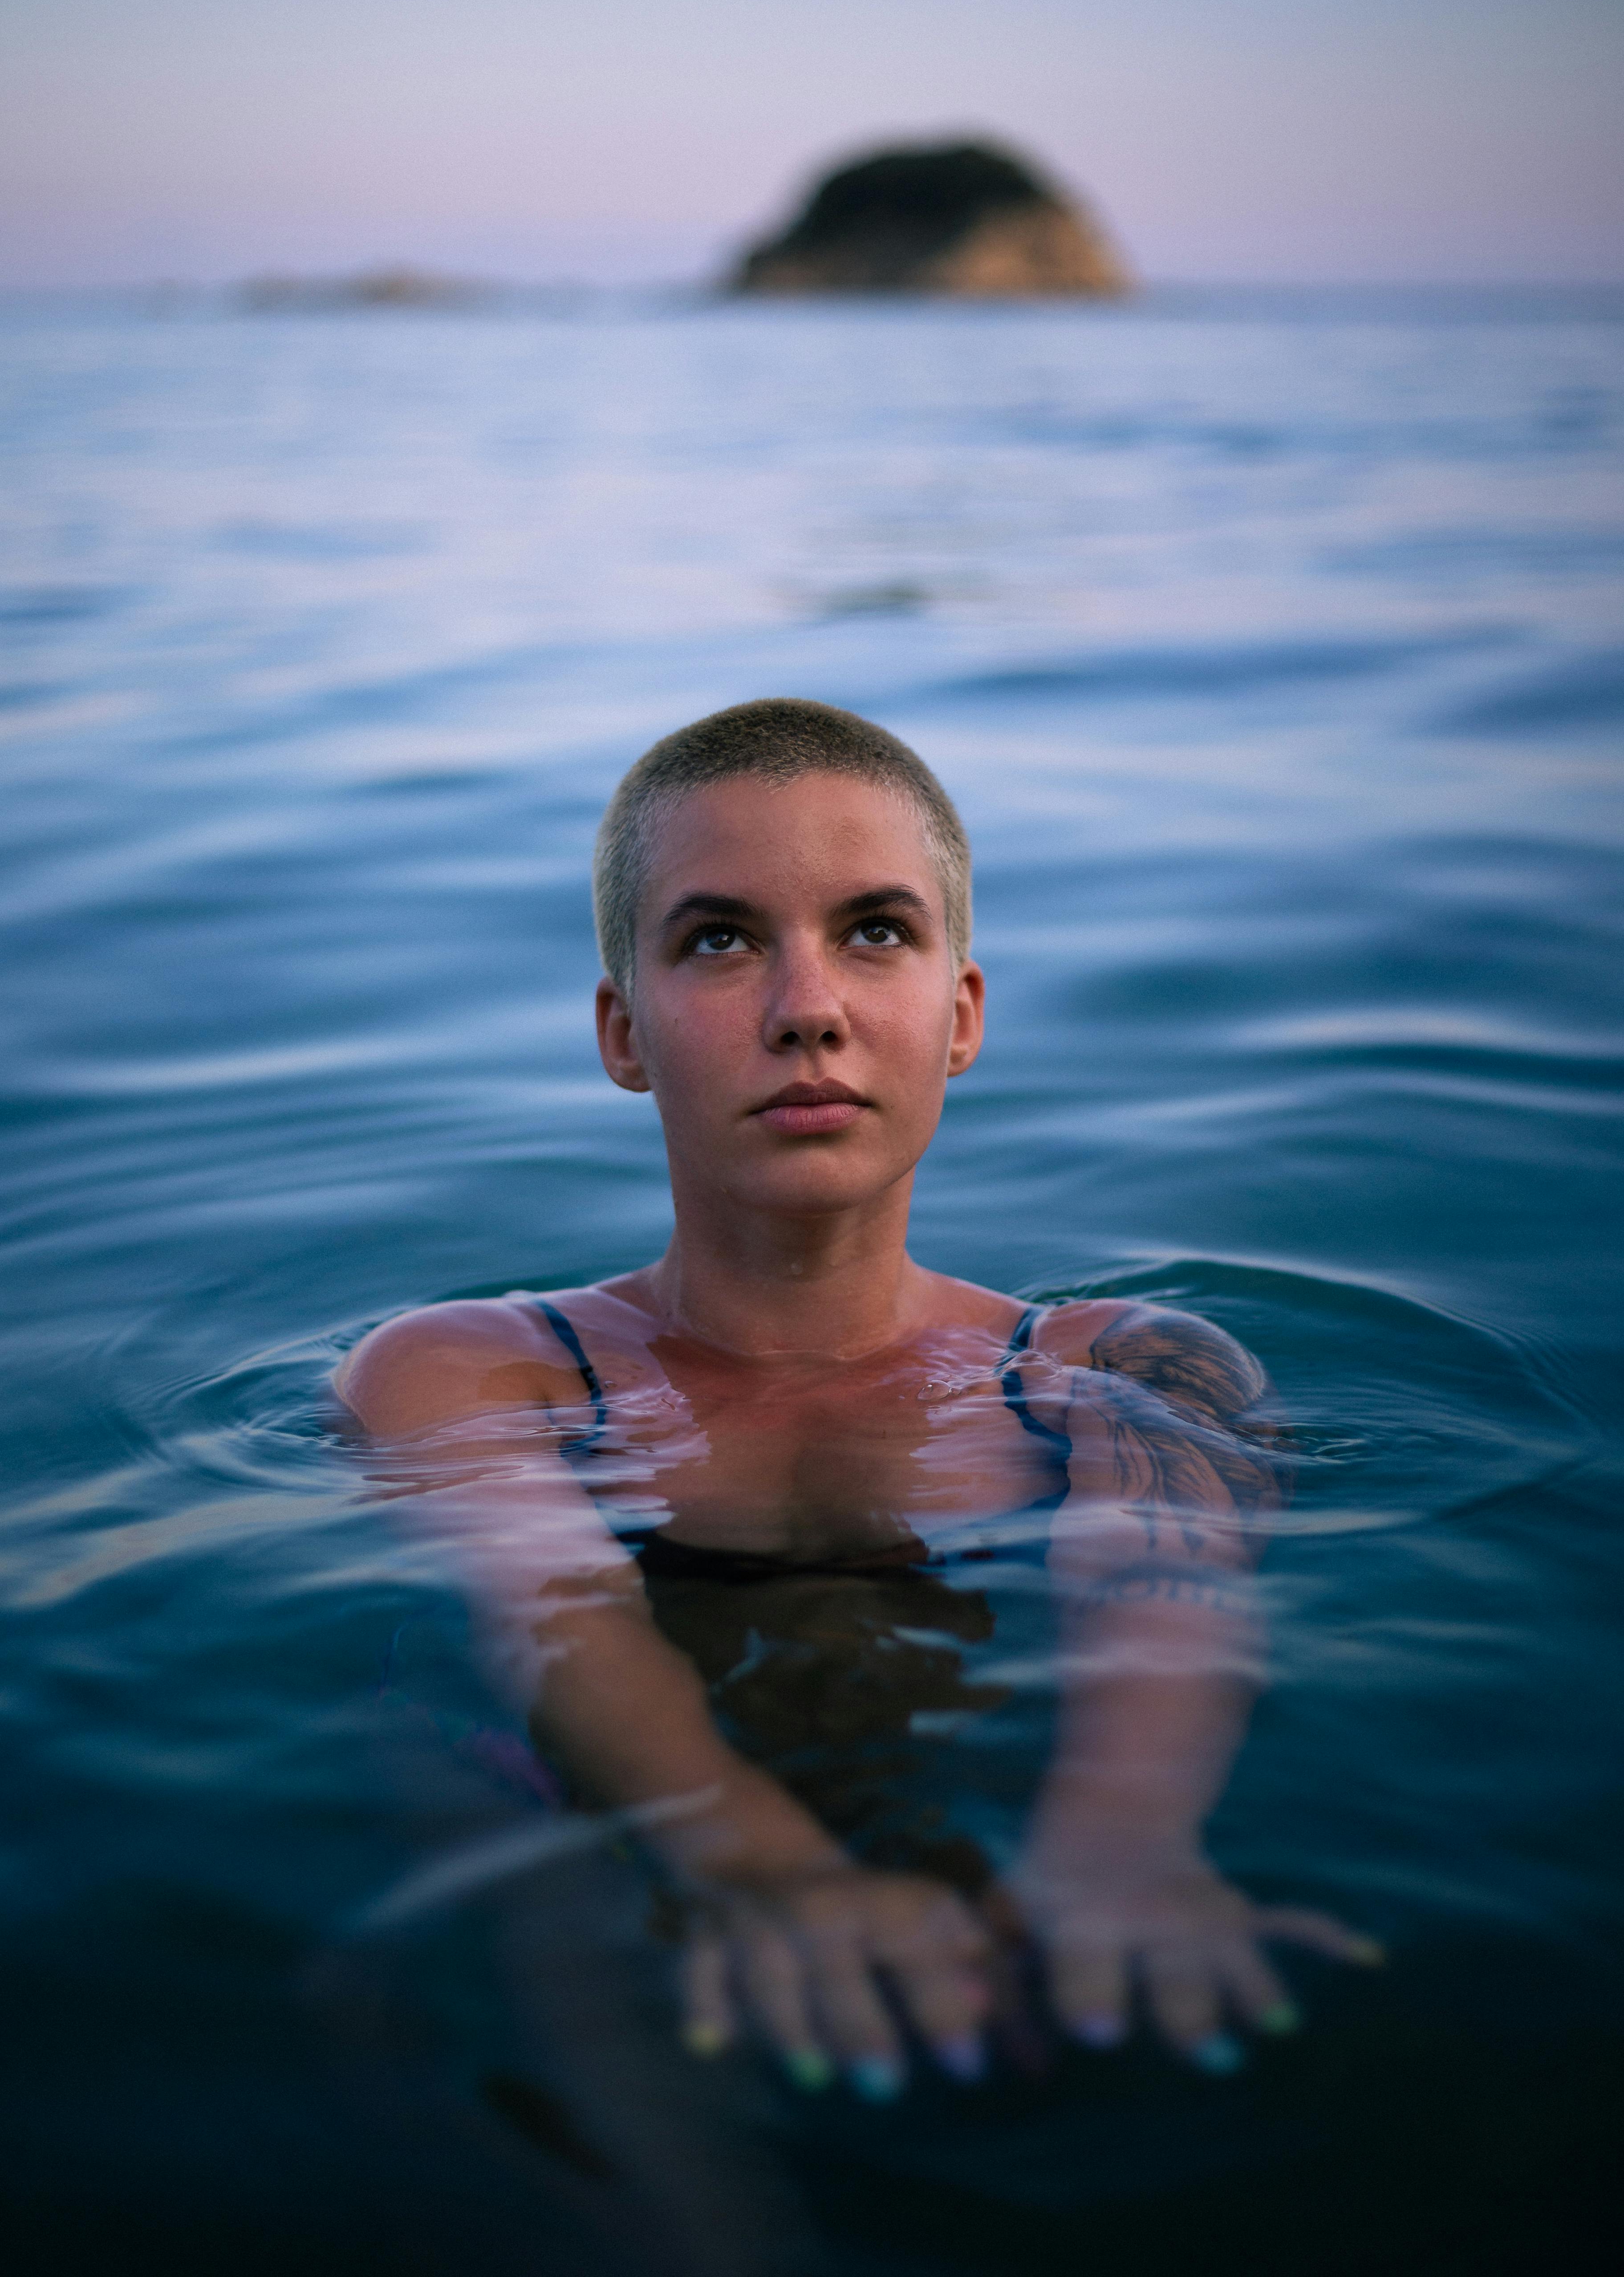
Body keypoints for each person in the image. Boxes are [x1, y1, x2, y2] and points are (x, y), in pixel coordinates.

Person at [337, 698, 1375, 2111]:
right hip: (579, 1841)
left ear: (961, 1017)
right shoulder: (468, 1371)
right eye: (720, 940)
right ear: (621, 1030)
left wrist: (1119, 1844)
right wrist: (754, 1863)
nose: (808, 1008)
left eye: (876, 930)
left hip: (957, 1806)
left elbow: (1166, 1594)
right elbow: (549, 1606)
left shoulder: (1124, 1370)